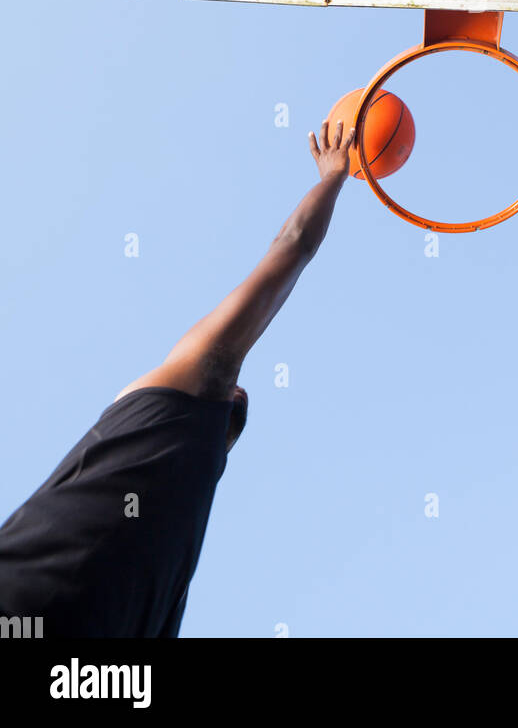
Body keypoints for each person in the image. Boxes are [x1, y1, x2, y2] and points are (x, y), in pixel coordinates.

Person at [0, 118, 354, 638]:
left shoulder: (182, 493)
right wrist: (333, 177)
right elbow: (293, 244)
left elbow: (293, 248)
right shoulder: (174, 398)